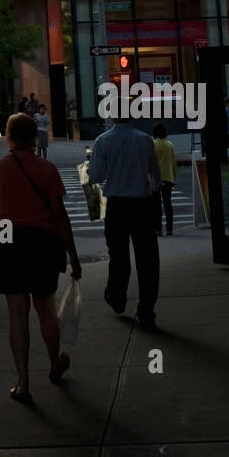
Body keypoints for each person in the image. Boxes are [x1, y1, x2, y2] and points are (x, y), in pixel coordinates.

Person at [0, 113, 81, 404]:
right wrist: (73, 256)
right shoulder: (47, 169)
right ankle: (54, 362)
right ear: (33, 137)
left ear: (10, 136)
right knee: (45, 306)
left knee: (17, 312)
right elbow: (60, 216)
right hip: (42, 240)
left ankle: (23, 382)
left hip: (8, 238)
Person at [89, 111, 161, 330]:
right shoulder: (144, 139)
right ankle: (146, 308)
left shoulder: (103, 141)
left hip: (117, 206)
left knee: (118, 255)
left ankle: (117, 296)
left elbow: (96, 176)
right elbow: (155, 175)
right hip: (142, 204)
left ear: (111, 116)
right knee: (148, 259)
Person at [152, 124, 177, 236]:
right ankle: (169, 229)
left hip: (156, 178)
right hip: (168, 177)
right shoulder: (169, 145)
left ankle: (158, 229)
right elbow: (173, 163)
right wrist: (174, 178)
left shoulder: (153, 144)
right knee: (168, 204)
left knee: (156, 205)